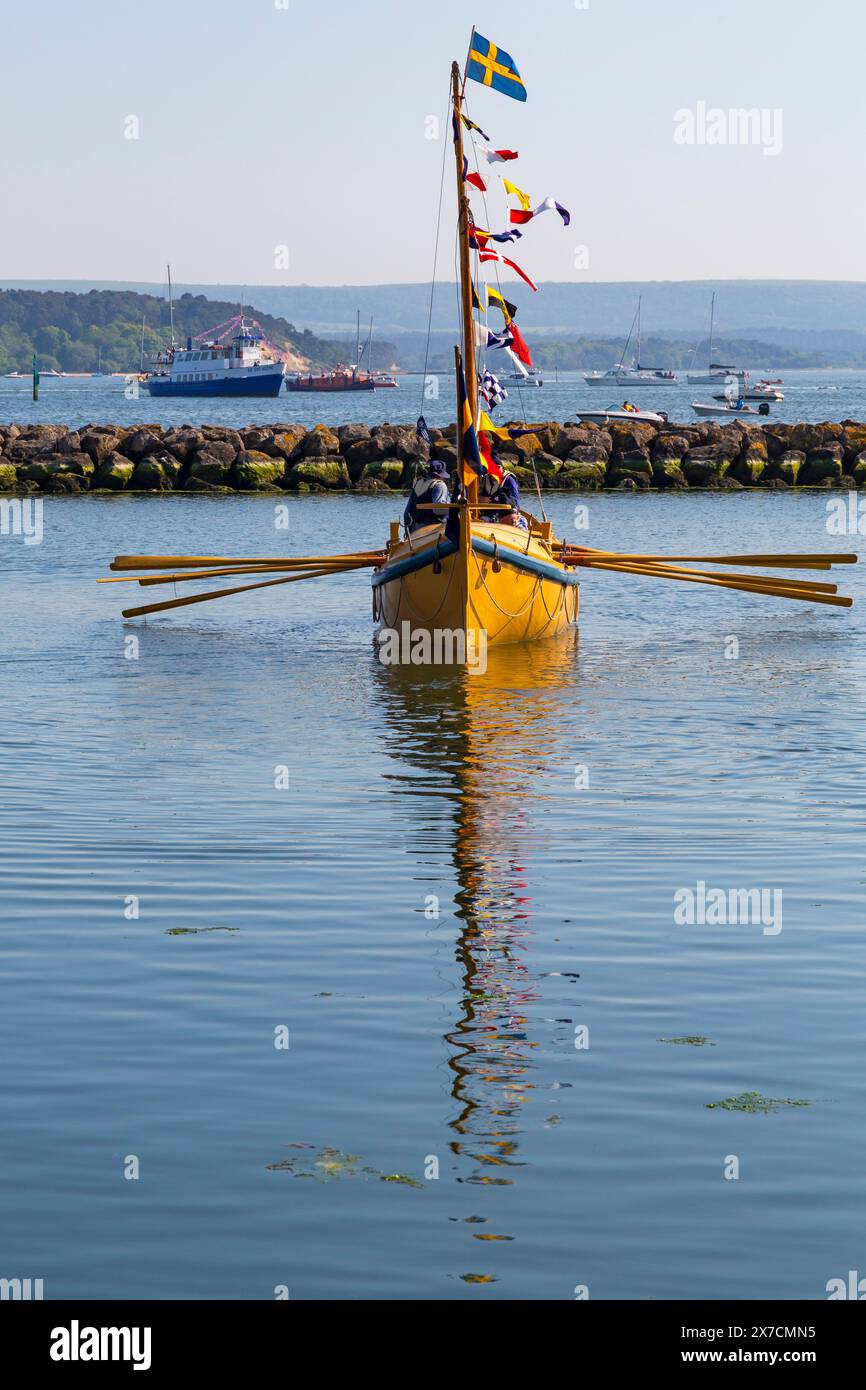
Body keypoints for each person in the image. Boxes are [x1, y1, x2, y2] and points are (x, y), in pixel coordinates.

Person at [403, 459, 450, 533]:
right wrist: (455, 510)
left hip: (416, 531)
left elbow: (407, 513)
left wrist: (408, 532)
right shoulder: (439, 485)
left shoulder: (417, 484)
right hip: (434, 530)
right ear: (440, 475)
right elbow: (438, 509)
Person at [479, 463, 528, 529]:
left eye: (498, 467)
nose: (495, 469)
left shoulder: (509, 480)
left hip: (506, 516)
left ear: (502, 468)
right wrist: (479, 499)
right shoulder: (484, 480)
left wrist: (492, 500)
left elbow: (515, 502)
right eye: (493, 467)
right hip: (487, 516)